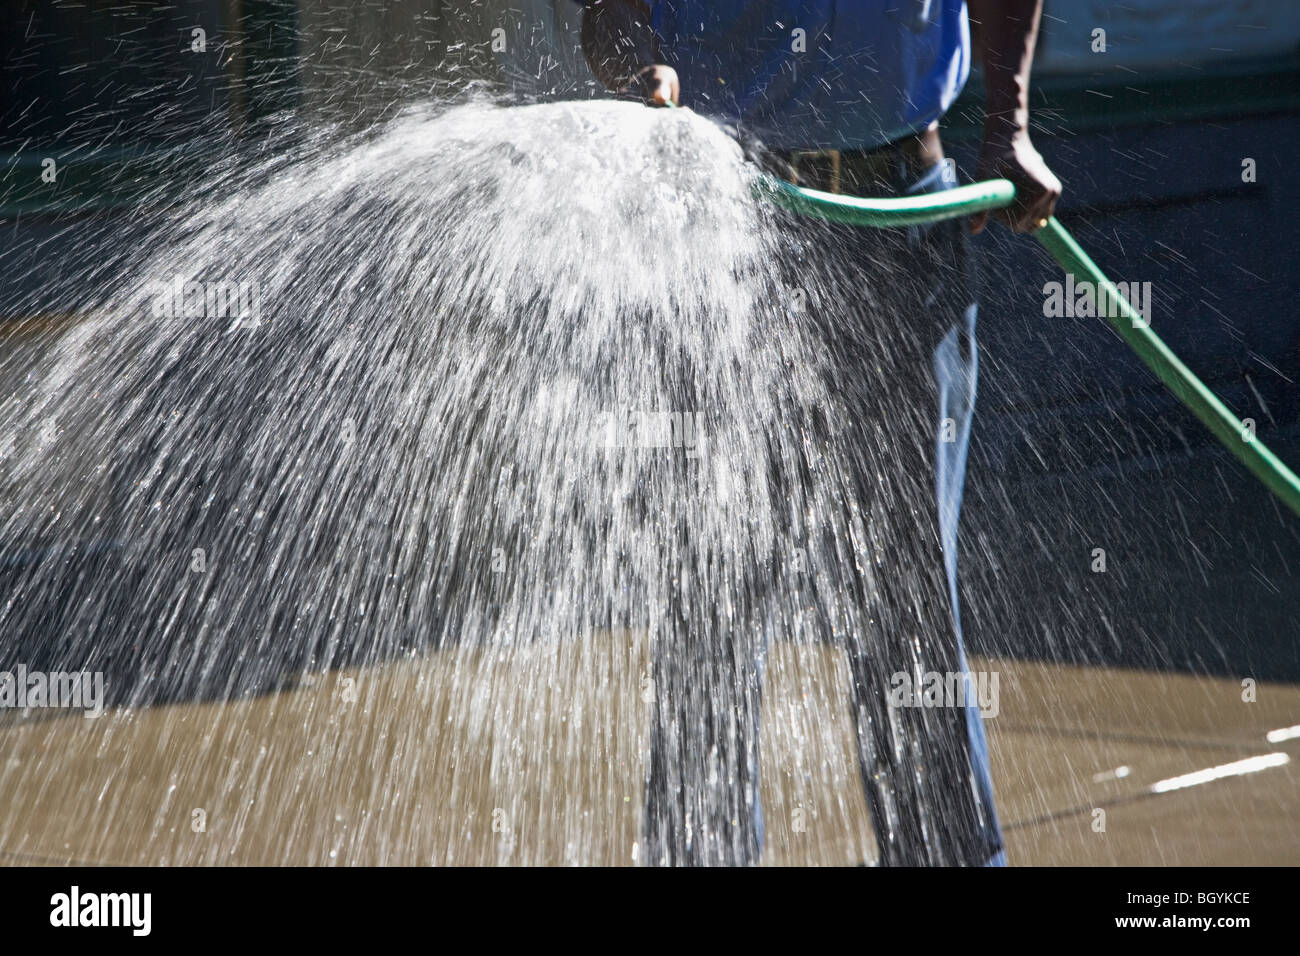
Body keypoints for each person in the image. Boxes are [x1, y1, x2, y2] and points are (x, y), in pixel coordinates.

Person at [577, 0, 1061, 866]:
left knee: (908, 593)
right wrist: (631, 59)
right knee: (712, 594)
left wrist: (1009, 121)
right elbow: (609, 11)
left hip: (906, 218)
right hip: (724, 223)